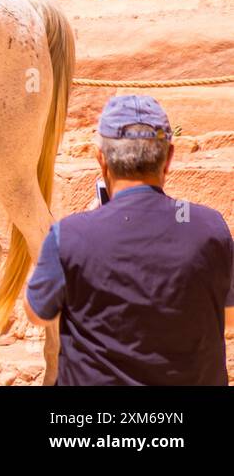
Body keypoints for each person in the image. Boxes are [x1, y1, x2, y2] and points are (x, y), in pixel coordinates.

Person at [25, 95, 234, 385]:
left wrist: (86, 228)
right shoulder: (210, 227)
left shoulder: (70, 235)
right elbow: (230, 316)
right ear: (169, 156)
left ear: (101, 158)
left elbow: (36, 313)